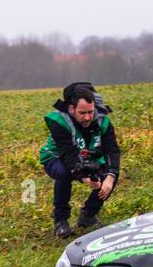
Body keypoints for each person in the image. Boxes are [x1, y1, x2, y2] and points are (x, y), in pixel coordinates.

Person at [39, 82, 121, 237]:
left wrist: (110, 176)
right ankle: (60, 221)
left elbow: (112, 151)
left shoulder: (103, 121)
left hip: (89, 155)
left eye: (91, 112)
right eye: (82, 113)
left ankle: (88, 216)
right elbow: (68, 155)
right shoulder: (59, 122)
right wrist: (84, 177)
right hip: (57, 157)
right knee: (64, 173)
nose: (88, 117)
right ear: (72, 109)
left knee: (110, 175)